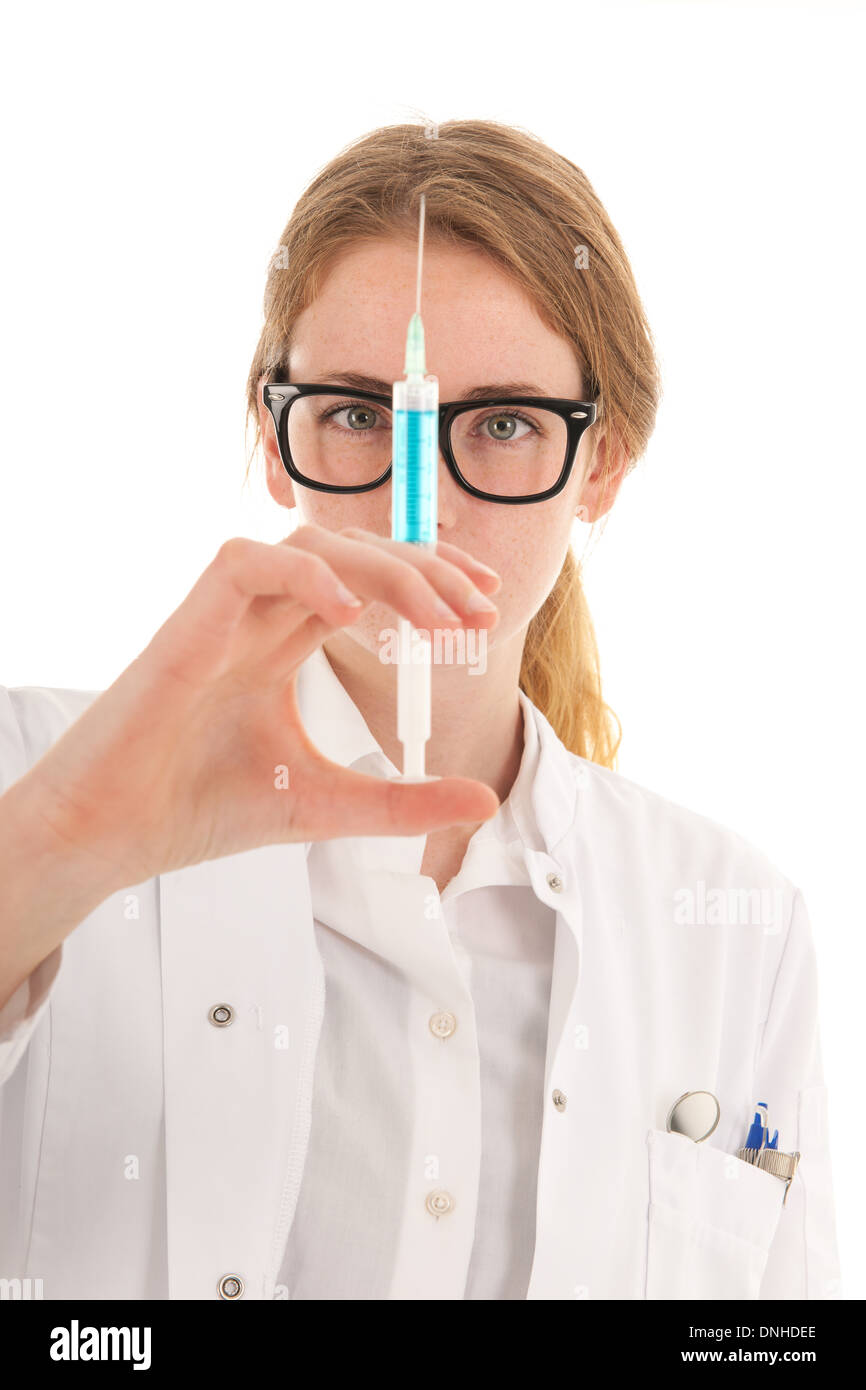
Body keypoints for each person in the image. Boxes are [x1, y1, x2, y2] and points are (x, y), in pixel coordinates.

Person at [0, 119, 841, 1301]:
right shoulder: (35, 774)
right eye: (355, 414)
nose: (416, 502)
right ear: (273, 435)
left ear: (602, 465)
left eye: (501, 426)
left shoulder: (732, 927)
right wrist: (56, 846)